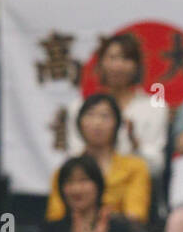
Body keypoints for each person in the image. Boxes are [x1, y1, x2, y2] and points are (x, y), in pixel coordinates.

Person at [67, 32, 167, 179]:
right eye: (112, 58)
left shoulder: (155, 107)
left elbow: (156, 169)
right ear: (101, 63)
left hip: (136, 188)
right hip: (90, 187)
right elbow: (74, 157)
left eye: (126, 59)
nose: (118, 66)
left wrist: (135, 145)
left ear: (137, 65)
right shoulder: (80, 107)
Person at [45, 94, 151, 224]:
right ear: (79, 123)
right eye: (90, 115)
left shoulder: (135, 167)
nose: (97, 123)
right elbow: (55, 218)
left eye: (105, 116)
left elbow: (136, 216)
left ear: (117, 123)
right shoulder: (65, 171)